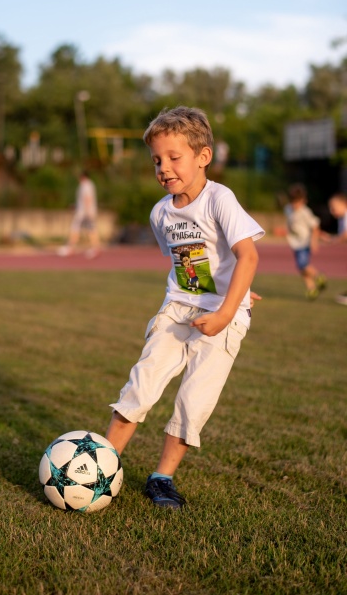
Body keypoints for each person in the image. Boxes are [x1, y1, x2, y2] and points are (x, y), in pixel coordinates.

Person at [105, 106, 265, 509]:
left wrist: (230, 306)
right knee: (142, 384)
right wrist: (226, 288)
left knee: (193, 401)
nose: (164, 167)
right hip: (178, 308)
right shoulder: (160, 213)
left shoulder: (220, 199)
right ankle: (101, 466)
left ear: (202, 157)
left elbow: (247, 256)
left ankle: (161, 478)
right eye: (157, 159)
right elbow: (192, 263)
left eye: (174, 157)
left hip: (223, 320)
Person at [283, 183, 327, 300]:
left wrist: (314, 242)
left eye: (298, 202)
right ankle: (311, 289)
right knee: (301, 268)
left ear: (303, 201)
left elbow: (315, 226)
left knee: (303, 264)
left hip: (304, 242)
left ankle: (319, 277)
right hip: (295, 243)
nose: (295, 205)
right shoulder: (287, 209)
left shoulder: (305, 212)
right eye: (293, 202)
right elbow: (289, 223)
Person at [58, 171, 100, 258]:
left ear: (82, 177)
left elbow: (87, 198)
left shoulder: (85, 185)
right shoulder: (90, 184)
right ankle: (95, 248)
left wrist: (87, 211)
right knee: (91, 229)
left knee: (75, 228)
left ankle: (70, 248)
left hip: (84, 212)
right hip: (87, 211)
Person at [327, 193, 347, 305]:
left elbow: (345, 235)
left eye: (333, 207)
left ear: (344, 204)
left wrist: (333, 240)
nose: (331, 210)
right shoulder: (342, 219)